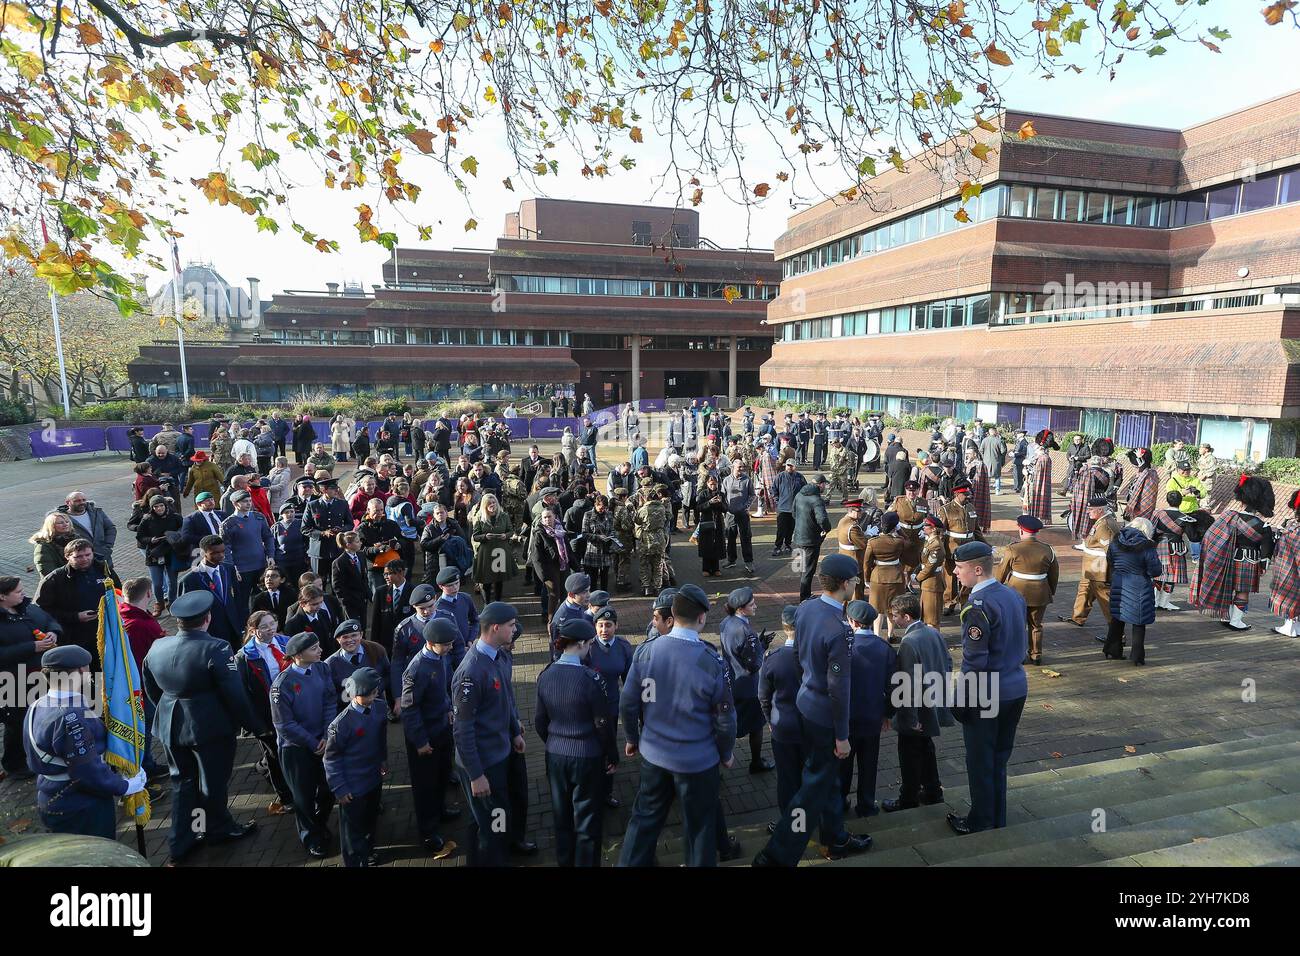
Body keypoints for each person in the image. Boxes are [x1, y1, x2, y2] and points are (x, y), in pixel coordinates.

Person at [754, 554, 873, 866]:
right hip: (825, 718)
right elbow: (839, 687)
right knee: (811, 791)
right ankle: (776, 854)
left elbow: (799, 659)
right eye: (855, 581)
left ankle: (836, 839)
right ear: (845, 584)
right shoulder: (839, 629)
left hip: (805, 705)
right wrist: (843, 735)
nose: (856, 585)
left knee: (827, 780)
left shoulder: (806, 607)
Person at [619, 585, 735, 867]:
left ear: (672, 614)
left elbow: (628, 703)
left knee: (644, 821)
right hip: (697, 762)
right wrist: (726, 752)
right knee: (699, 830)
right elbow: (725, 718)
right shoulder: (711, 662)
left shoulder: (646, 653)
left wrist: (633, 738)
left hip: (654, 754)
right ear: (703, 618)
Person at [143, 590, 258, 864]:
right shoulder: (216, 648)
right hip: (209, 728)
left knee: (183, 783)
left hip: (171, 724)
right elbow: (235, 694)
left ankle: (184, 838)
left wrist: (169, 708)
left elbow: (151, 689)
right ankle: (216, 829)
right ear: (207, 618)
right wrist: (255, 725)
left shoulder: (158, 646)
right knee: (212, 783)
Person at [946, 541, 1028, 836]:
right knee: (999, 758)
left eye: (960, 567)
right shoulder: (1012, 595)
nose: (955, 572)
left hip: (988, 693)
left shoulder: (977, 607)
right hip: (1016, 687)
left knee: (980, 760)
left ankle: (980, 820)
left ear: (977, 569)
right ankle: (997, 816)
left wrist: (961, 700)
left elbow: (974, 661)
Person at [24, 645, 147, 839]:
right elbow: (85, 770)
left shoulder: (36, 705)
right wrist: (125, 786)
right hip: (80, 804)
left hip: (51, 798)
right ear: (82, 671)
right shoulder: (72, 715)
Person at [535, 617, 617, 866]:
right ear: (581, 643)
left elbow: (540, 720)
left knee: (561, 816)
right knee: (588, 820)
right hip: (587, 756)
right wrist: (611, 755)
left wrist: (554, 741)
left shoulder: (546, 675)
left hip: (555, 755)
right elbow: (602, 724)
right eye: (590, 643)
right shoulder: (591, 679)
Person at [452, 601, 526, 867]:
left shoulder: (499, 656)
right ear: (495, 628)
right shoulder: (471, 673)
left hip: (499, 752)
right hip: (483, 763)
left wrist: (514, 731)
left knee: (482, 818)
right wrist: (476, 774)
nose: (514, 630)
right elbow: (462, 729)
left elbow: (505, 698)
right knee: (495, 821)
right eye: (511, 626)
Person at [271, 630, 338, 858]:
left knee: (328, 789)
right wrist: (313, 742)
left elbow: (330, 699)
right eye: (314, 649)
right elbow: (284, 725)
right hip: (297, 750)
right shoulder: (282, 685)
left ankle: (319, 824)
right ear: (298, 656)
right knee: (303, 796)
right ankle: (311, 837)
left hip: (322, 740)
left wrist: (327, 734)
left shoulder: (322, 668)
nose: (320, 651)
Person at [883, 593, 953, 812]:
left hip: (915, 710)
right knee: (926, 748)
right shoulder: (934, 633)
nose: (893, 620)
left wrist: (911, 719)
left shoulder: (909, 643)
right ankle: (933, 792)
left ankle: (908, 798)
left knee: (909, 755)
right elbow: (948, 663)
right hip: (932, 701)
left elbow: (908, 684)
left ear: (906, 616)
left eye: (895, 616)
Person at [399, 616, 461, 858]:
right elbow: (410, 709)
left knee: (443, 775)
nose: (450, 648)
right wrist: (421, 742)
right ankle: (428, 831)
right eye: (446, 644)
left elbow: (445, 687)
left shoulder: (441, 657)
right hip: (425, 737)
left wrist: (448, 709)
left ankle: (440, 810)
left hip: (442, 730)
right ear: (431, 642)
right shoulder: (416, 670)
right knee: (425, 785)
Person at [1191, 475, 1275, 631]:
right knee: (1242, 592)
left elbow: (1212, 536)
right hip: (1250, 562)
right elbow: (1266, 551)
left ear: (1242, 498)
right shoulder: (1264, 526)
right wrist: (1263, 566)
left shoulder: (1229, 517)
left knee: (1228, 588)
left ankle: (1225, 616)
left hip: (1229, 557)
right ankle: (1236, 621)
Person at [323, 666, 388, 867]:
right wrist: (340, 789)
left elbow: (381, 739)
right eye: (372, 692)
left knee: (369, 819)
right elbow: (331, 759)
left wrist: (383, 760)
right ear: (357, 695)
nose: (376, 694)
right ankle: (354, 861)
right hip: (352, 786)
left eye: (377, 691)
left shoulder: (379, 707)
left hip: (373, 778)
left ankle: (367, 852)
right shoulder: (341, 724)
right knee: (352, 829)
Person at [235, 610, 296, 815]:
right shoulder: (244, 657)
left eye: (273, 623)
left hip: (293, 708)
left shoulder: (287, 642)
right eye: (264, 626)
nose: (271, 628)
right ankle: (286, 796)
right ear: (253, 631)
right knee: (274, 757)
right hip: (267, 716)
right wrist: (254, 724)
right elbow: (242, 693)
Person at [0, 577, 60, 782]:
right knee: (17, 722)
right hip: (12, 680)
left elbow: (48, 620)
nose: (23, 594)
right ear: (2, 597)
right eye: (17, 592)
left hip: (39, 673)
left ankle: (39, 751)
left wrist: (53, 632)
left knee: (40, 716)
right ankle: (14, 764)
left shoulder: (28, 608)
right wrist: (31, 647)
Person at [841, 600, 894, 818]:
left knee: (842, 764)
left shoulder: (844, 647)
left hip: (847, 718)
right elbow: (894, 687)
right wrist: (888, 714)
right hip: (873, 717)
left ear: (852, 621)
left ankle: (840, 800)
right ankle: (866, 804)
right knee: (869, 764)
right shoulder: (885, 648)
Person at [34, 538, 118, 670]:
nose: (84, 559)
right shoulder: (55, 579)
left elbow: (118, 593)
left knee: (106, 670)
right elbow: (42, 611)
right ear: (67, 556)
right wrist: (75, 617)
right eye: (78, 556)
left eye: (88, 555)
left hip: (106, 632)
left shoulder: (104, 570)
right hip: (74, 637)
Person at [720, 587, 773, 775]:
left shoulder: (726, 623)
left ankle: (716, 764)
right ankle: (756, 762)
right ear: (741, 609)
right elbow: (753, 665)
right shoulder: (745, 631)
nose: (756, 606)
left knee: (728, 725)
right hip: (749, 687)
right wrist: (762, 649)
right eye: (752, 604)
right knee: (756, 726)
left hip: (730, 682)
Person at [758, 605, 802, 828]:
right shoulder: (813, 655)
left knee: (786, 778)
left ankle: (789, 822)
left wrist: (769, 721)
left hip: (783, 727)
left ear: (784, 628)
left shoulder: (772, 658)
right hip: (811, 726)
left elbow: (763, 696)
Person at [995, 515, 1059, 665]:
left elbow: (1001, 572)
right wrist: (1050, 591)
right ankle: (1036, 654)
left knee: (1018, 625)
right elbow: (1054, 574)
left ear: (1021, 531)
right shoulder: (1048, 549)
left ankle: (1018, 655)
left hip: (1017, 592)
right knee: (1036, 625)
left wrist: (996, 590)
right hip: (1040, 592)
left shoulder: (1013, 549)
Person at [1104, 518, 1162, 665]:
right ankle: (1137, 656)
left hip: (1119, 582)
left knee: (1117, 616)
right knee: (1139, 621)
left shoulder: (1116, 541)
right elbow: (1155, 570)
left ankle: (1112, 650)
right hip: (1139, 587)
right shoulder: (1147, 546)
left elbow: (1110, 560)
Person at [1060, 495, 1123, 630]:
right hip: (1091, 568)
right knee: (1084, 591)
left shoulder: (1105, 525)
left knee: (1105, 601)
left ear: (1100, 510)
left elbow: (1111, 550)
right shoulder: (1101, 521)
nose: (1088, 512)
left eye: (1091, 509)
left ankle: (1116, 633)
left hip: (1099, 570)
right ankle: (1078, 617)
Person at [175, 535, 242, 647]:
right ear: (203, 553)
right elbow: (186, 615)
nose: (221, 556)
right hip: (210, 633)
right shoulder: (189, 580)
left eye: (223, 551)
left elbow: (237, 598)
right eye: (215, 553)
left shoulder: (228, 569)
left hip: (233, 629)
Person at [221, 488, 276, 617]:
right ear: (235, 504)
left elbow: (268, 537)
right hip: (242, 569)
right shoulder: (228, 524)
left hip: (261, 566)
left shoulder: (258, 517)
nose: (248, 503)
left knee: (262, 598)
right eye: (245, 501)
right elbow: (225, 549)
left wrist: (271, 555)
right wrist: (232, 568)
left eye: (249, 500)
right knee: (242, 602)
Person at [793, 475, 832, 602]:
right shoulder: (816, 500)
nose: (825, 487)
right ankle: (804, 597)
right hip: (810, 540)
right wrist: (826, 529)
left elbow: (793, 513)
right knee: (808, 570)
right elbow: (822, 519)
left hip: (798, 536)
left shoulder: (799, 494)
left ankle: (804, 592)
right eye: (824, 485)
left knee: (802, 567)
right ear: (820, 485)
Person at [1152, 491, 1194, 611]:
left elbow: (1152, 530)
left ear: (1167, 500)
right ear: (1181, 502)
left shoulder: (1158, 513)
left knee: (1158, 574)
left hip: (1159, 546)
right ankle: (1164, 602)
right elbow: (1192, 537)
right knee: (1172, 577)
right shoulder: (1185, 518)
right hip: (1176, 549)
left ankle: (1154, 601)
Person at [57, 490, 117, 572]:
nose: (81, 502)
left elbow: (111, 528)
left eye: (84, 500)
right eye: (77, 501)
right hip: (80, 561)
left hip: (103, 557)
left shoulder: (97, 512)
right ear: (68, 502)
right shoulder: (62, 519)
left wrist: (107, 546)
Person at [1271, 489, 1300, 637]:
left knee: (1290, 596)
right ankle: (1298, 626)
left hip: (1290, 568)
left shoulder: (1292, 529)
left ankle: (1289, 627)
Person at [284, 584, 342, 658]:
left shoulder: (323, 613)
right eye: (314, 604)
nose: (319, 606)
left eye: (321, 602)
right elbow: (294, 651)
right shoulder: (293, 624)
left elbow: (329, 639)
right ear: (302, 604)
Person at [915, 514, 948, 630]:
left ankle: (935, 643)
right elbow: (923, 561)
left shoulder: (936, 545)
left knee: (932, 619)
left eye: (926, 525)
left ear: (933, 529)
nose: (923, 527)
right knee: (926, 616)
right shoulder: (930, 541)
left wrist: (917, 577)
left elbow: (930, 566)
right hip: (928, 582)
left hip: (933, 583)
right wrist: (916, 571)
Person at [835, 496, 870, 601]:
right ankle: (854, 612)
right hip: (854, 561)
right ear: (852, 510)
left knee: (846, 590)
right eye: (859, 510)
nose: (861, 512)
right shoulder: (853, 527)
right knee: (856, 591)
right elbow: (864, 544)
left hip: (844, 558)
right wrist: (869, 536)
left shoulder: (843, 520)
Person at [693, 474, 727, 577]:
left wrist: (720, 503)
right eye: (711, 484)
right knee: (706, 545)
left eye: (715, 484)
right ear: (707, 484)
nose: (713, 486)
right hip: (706, 521)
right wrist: (709, 503)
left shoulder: (721, 494)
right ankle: (706, 568)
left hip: (718, 522)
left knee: (716, 545)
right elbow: (698, 508)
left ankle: (716, 568)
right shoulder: (702, 494)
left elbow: (725, 509)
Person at [1023, 429, 1058, 525]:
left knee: (1031, 498)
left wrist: (1028, 468)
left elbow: (1035, 469)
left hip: (1034, 480)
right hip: (1036, 480)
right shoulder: (1044, 456)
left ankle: (1032, 518)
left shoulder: (1043, 457)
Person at [29, 511, 77, 578]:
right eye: (60, 523)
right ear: (51, 526)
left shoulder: (76, 539)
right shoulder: (43, 546)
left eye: (67, 522)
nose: (65, 524)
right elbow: (47, 571)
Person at [772, 459, 805, 556]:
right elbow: (774, 490)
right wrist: (778, 501)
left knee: (791, 528)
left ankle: (787, 544)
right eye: (788, 465)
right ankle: (777, 546)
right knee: (781, 529)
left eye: (791, 465)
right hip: (782, 509)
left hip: (795, 509)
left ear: (795, 466)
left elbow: (805, 490)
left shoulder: (800, 477)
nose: (789, 467)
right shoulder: (780, 476)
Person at [1123, 447, 1161, 522]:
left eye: (1134, 465)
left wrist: (1139, 458)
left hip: (1141, 511)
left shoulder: (1149, 476)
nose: (1134, 467)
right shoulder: (1148, 474)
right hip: (1137, 511)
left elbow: (1143, 468)